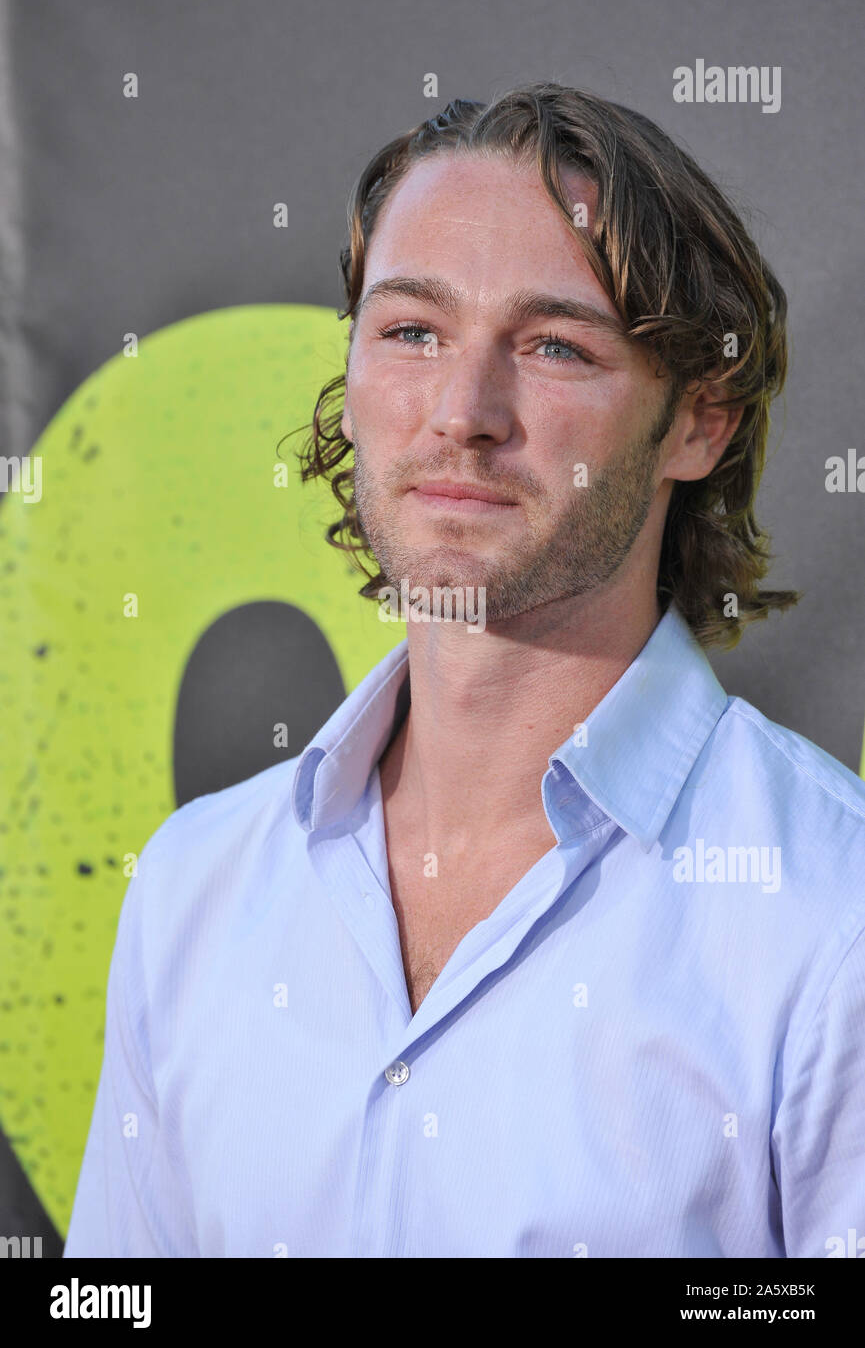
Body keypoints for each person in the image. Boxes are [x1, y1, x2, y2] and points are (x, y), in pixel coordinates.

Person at [65, 82, 865, 1258]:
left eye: (552, 346)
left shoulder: (828, 914)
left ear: (701, 422)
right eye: (412, 331)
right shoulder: (194, 889)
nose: (461, 411)